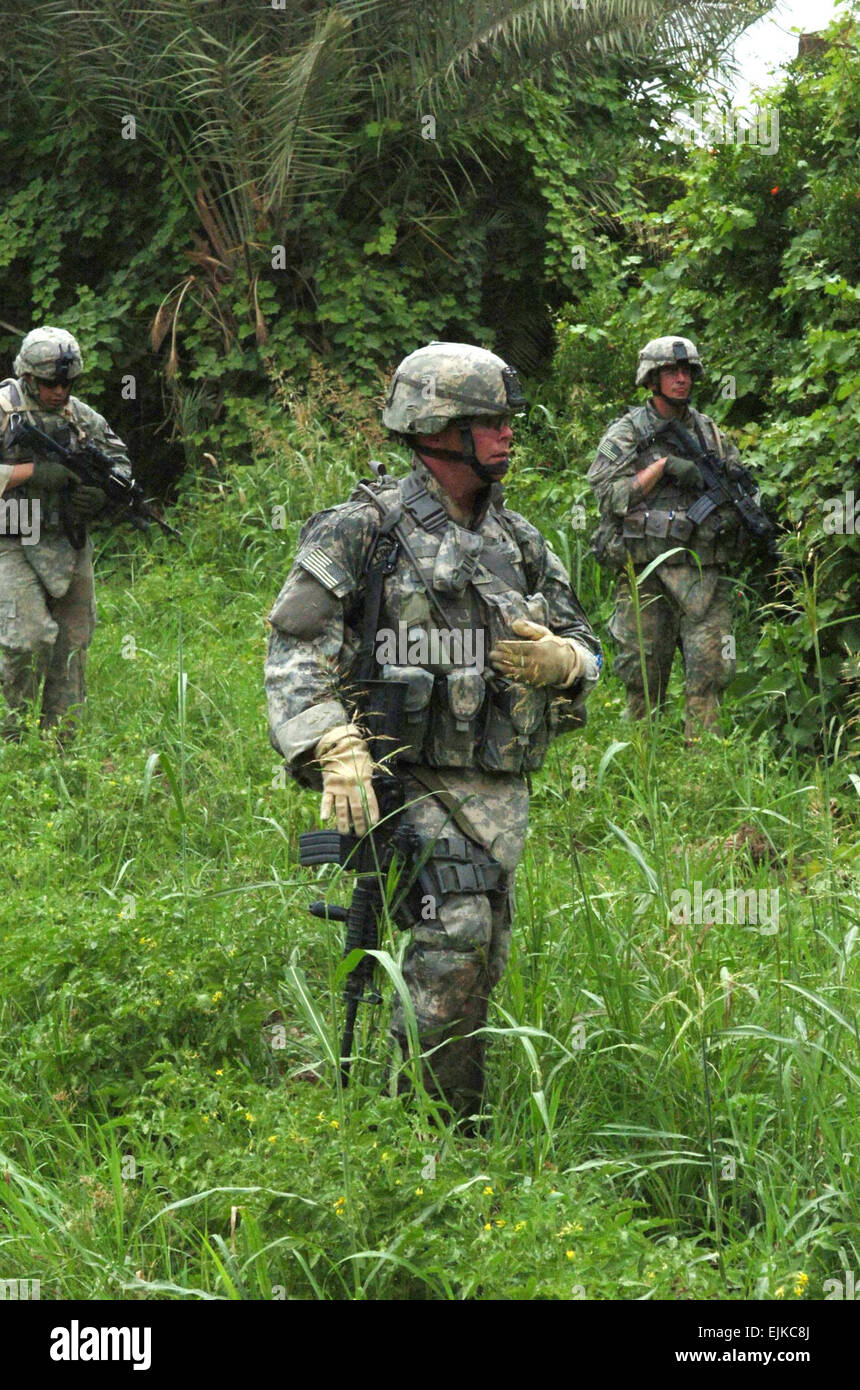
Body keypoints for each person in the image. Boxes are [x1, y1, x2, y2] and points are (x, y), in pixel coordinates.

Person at [266, 341, 601, 1124]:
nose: (509, 435)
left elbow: (590, 645)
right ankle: (429, 1136)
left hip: (496, 794)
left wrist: (567, 662)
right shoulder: (363, 532)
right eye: (491, 422)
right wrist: (332, 744)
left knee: (479, 959)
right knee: (455, 937)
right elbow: (294, 648)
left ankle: (437, 1129)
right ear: (438, 429)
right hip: (405, 777)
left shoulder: (520, 544)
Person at [588, 335, 757, 742]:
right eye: (670, 371)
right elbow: (609, 496)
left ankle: (703, 766)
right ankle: (642, 760)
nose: (681, 379)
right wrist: (662, 467)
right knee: (642, 673)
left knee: (710, 669)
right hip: (645, 571)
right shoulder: (628, 432)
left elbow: (739, 488)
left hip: (703, 572)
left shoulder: (710, 434)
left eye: (686, 372)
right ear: (651, 378)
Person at [0, 325, 131, 739]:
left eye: (67, 382)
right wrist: (34, 473)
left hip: (67, 540)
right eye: (49, 383)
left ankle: (62, 745)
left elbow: (120, 467)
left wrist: (101, 496)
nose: (59, 391)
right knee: (26, 638)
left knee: (73, 644)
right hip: (11, 537)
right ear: (26, 377)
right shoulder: (4, 411)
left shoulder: (82, 418)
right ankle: (11, 737)